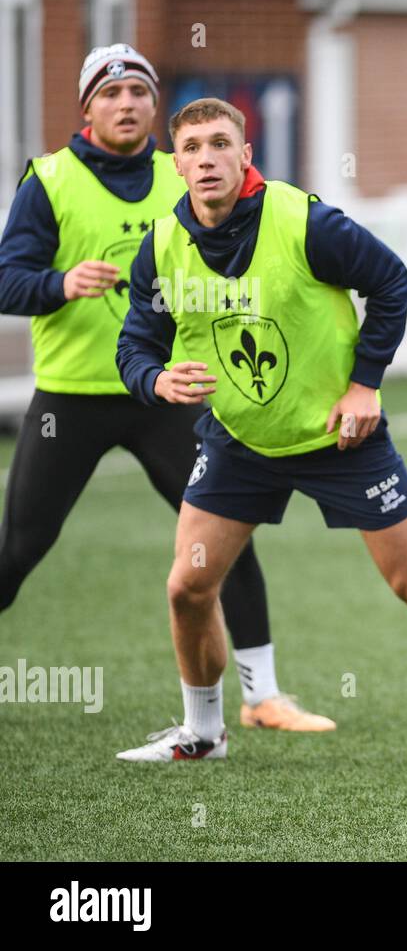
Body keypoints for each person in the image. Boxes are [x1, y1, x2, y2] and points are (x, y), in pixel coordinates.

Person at [113, 98, 407, 764]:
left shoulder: (303, 221)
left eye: (220, 144)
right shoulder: (162, 246)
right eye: (192, 148)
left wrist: (365, 383)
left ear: (245, 155)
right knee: (187, 586)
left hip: (340, 439)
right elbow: (136, 342)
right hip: (239, 441)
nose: (206, 159)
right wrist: (154, 380)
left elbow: (391, 279)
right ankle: (203, 732)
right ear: (177, 163)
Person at [0, 45, 331, 731]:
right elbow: (7, 282)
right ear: (86, 106)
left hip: (171, 397)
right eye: (111, 93)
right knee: (20, 547)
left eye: (139, 92)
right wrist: (58, 284)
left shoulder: (186, 168)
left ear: (156, 106)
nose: (127, 104)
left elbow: (263, 233)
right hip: (73, 398)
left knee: (223, 541)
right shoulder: (50, 180)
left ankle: (262, 696)